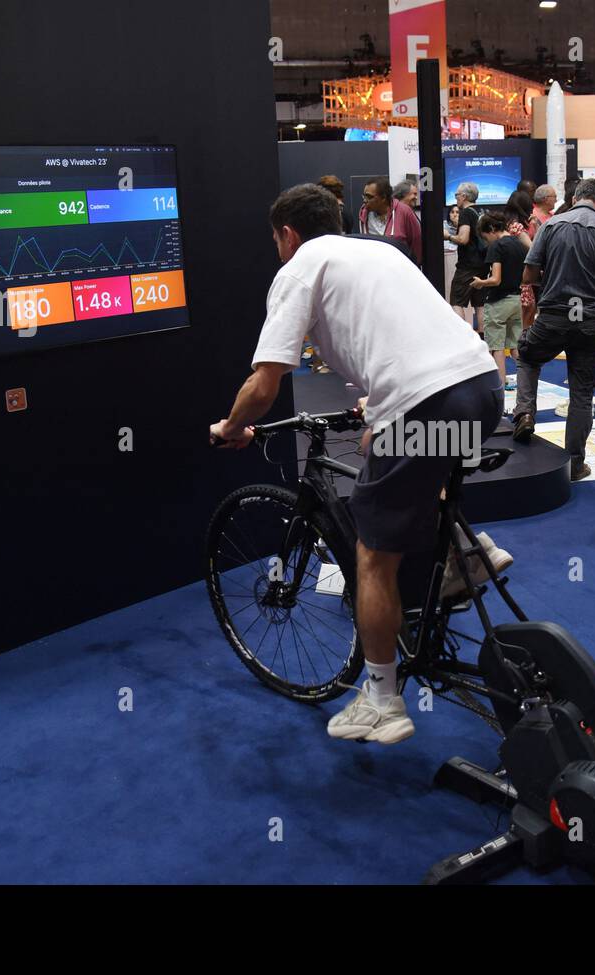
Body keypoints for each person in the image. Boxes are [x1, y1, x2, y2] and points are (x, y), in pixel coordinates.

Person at [210, 184, 501, 744]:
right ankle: (466, 554)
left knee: (372, 555)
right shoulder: (380, 250)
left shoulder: (299, 267)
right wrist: (379, 403)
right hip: (481, 386)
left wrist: (232, 426)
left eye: (276, 240)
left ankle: (382, 700)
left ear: (287, 235)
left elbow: (265, 381)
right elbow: (408, 333)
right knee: (392, 450)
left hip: (427, 398)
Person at [511, 178, 595, 481]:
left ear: (575, 197)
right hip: (589, 322)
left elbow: (528, 274)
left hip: (553, 315)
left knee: (527, 355)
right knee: (581, 394)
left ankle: (525, 412)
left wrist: (554, 276)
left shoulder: (551, 226)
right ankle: (576, 464)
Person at [472, 212, 526, 389]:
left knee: (496, 347)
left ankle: (499, 385)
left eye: (486, 237)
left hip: (498, 301)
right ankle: (527, 381)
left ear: (492, 229)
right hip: (516, 298)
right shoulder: (519, 244)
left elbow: (495, 279)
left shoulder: (496, 247)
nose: (487, 241)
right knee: (515, 346)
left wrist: (481, 283)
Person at [445, 181, 486, 329]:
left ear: (464, 196)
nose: (456, 198)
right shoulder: (481, 211)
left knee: (456, 302)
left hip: (467, 265)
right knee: (480, 304)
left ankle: (463, 339)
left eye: (457, 195)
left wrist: (448, 236)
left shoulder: (466, 213)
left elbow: (463, 239)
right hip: (482, 264)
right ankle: (483, 339)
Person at [359, 177, 422, 265]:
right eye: (364, 196)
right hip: (375, 269)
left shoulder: (404, 212)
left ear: (383, 198)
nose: (365, 200)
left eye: (369, 197)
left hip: (400, 270)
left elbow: (416, 244)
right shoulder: (364, 214)